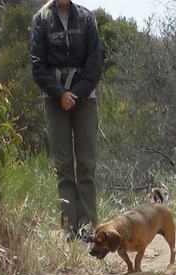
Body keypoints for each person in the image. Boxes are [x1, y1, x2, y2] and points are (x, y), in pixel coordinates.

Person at [30, 0, 104, 238]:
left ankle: (88, 227)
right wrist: (60, 94)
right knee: (63, 165)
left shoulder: (86, 18)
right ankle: (68, 226)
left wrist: (76, 94)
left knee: (86, 164)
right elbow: (38, 66)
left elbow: (95, 63)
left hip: (85, 99)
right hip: (54, 100)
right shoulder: (41, 19)